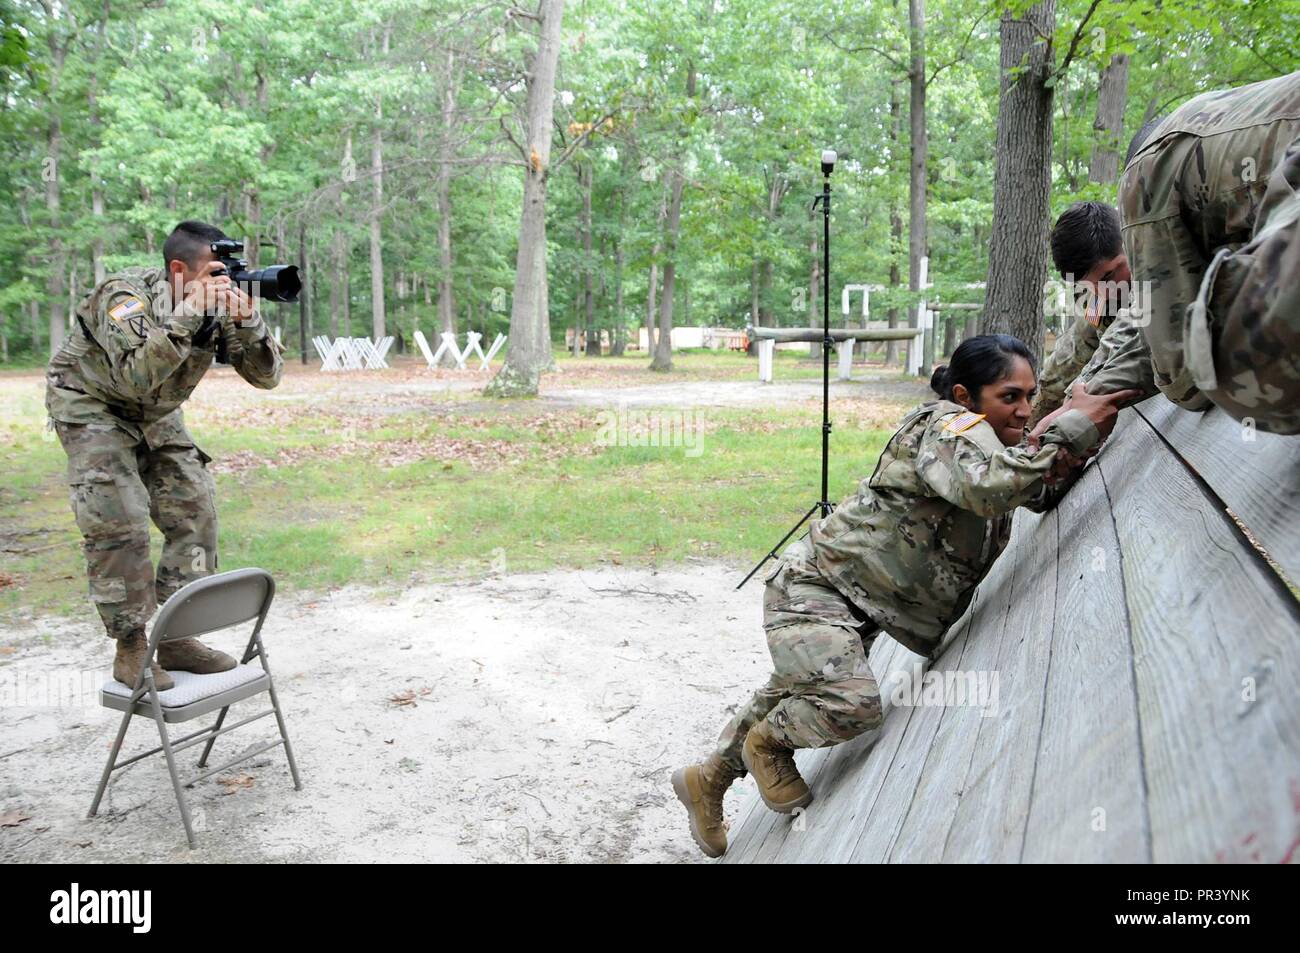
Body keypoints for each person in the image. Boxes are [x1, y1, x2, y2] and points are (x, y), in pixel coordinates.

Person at [672, 335, 1138, 857]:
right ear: (965, 396)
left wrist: (1076, 437)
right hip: (814, 590)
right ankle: (769, 742)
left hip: (858, 605)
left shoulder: (992, 444)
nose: (1026, 410)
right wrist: (1071, 430)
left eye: (1031, 396)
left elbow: (1030, 490)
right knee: (850, 702)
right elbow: (988, 491)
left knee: (794, 688)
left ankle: (706, 780)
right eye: (1010, 396)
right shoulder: (945, 426)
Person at [46, 220, 284, 691]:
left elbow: (266, 377)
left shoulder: (219, 303)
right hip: (94, 403)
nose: (225, 281)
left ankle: (177, 637)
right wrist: (189, 313)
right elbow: (136, 376)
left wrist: (248, 321)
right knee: (120, 519)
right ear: (178, 269)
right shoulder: (124, 297)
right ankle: (131, 645)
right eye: (214, 271)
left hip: (155, 409)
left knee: (194, 509)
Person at [1038, 69, 1300, 436]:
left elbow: (1182, 380)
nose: (1106, 292)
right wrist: (1065, 401)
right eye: (1090, 289)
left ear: (1127, 236)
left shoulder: (1147, 192)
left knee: (1247, 381)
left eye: (1112, 275)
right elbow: (1100, 340)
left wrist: (1079, 410)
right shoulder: (1208, 166)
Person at [1029, 202, 1131, 427]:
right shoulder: (1100, 295)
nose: (1101, 291)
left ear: (1130, 242)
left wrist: (1071, 407)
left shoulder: (1156, 261)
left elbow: (1116, 351)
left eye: (1107, 277)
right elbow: (1066, 361)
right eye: (1088, 285)